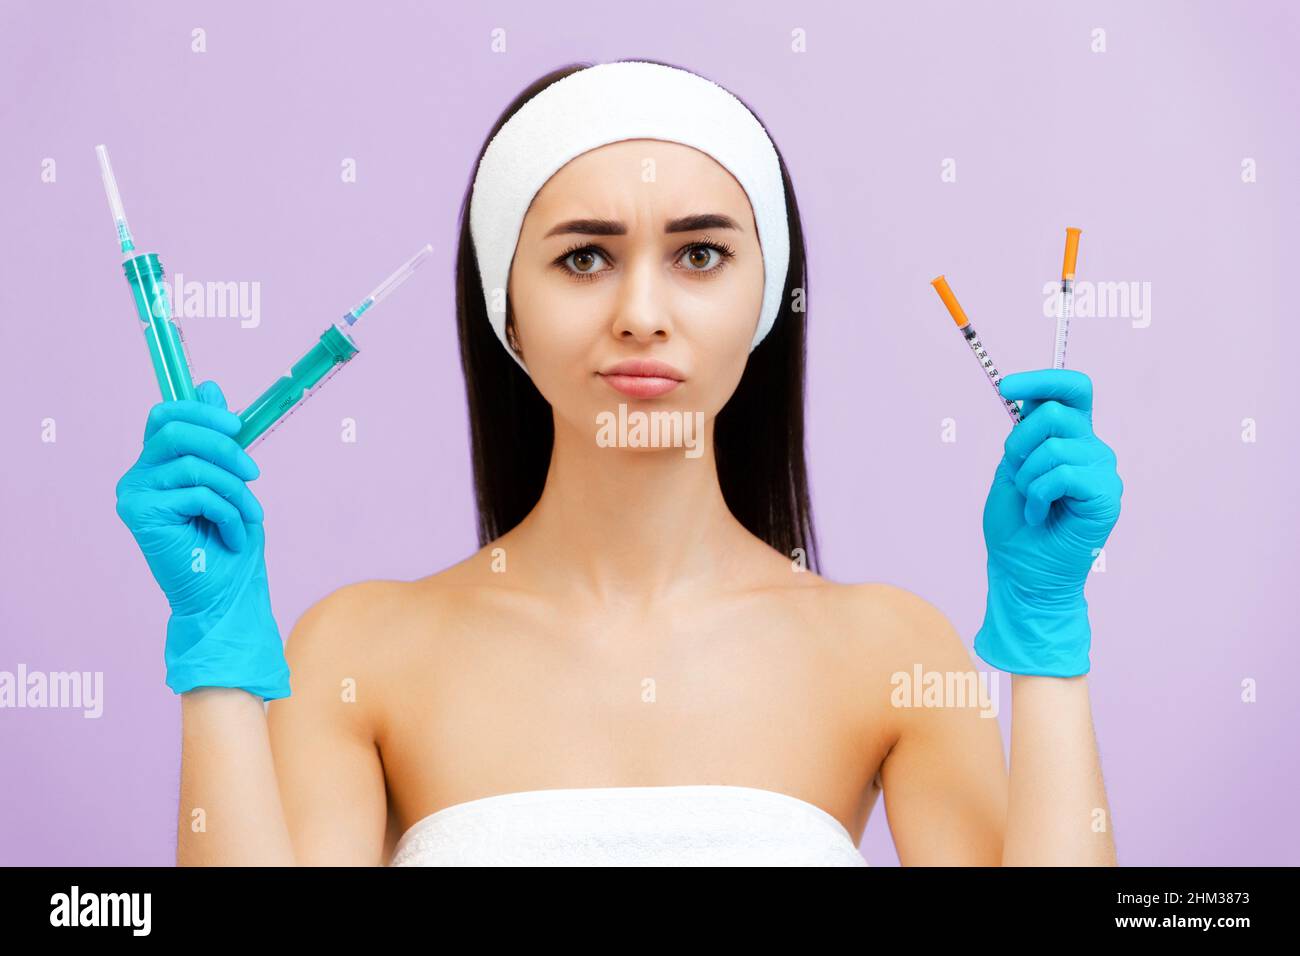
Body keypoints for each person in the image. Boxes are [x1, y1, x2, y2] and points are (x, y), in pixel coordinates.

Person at [115, 59, 1123, 866]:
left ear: (766, 299)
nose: (642, 312)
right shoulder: (358, 652)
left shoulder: (892, 651)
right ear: (506, 307)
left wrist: (1046, 646)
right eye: (584, 256)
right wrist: (218, 661)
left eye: (700, 255)